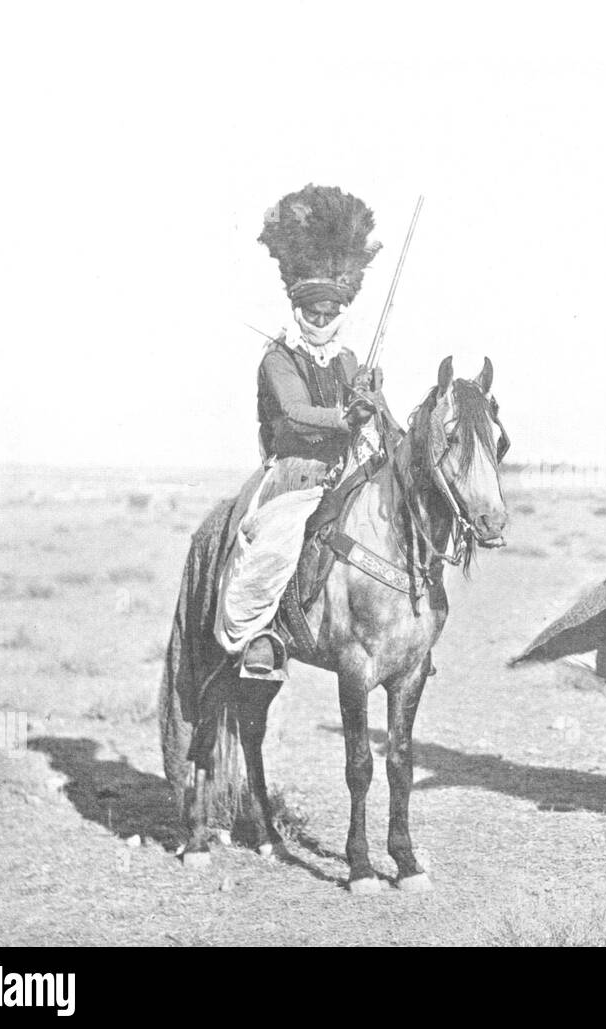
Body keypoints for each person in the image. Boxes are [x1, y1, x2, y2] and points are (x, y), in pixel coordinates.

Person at [215, 184, 385, 676]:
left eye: (331, 314)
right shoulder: (278, 356)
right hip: (292, 473)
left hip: (346, 471)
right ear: (299, 309)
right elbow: (293, 411)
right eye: (314, 313)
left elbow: (369, 409)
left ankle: (398, 635)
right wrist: (343, 418)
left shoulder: (350, 358)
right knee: (279, 541)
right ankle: (259, 635)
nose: (322, 321)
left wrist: (371, 396)